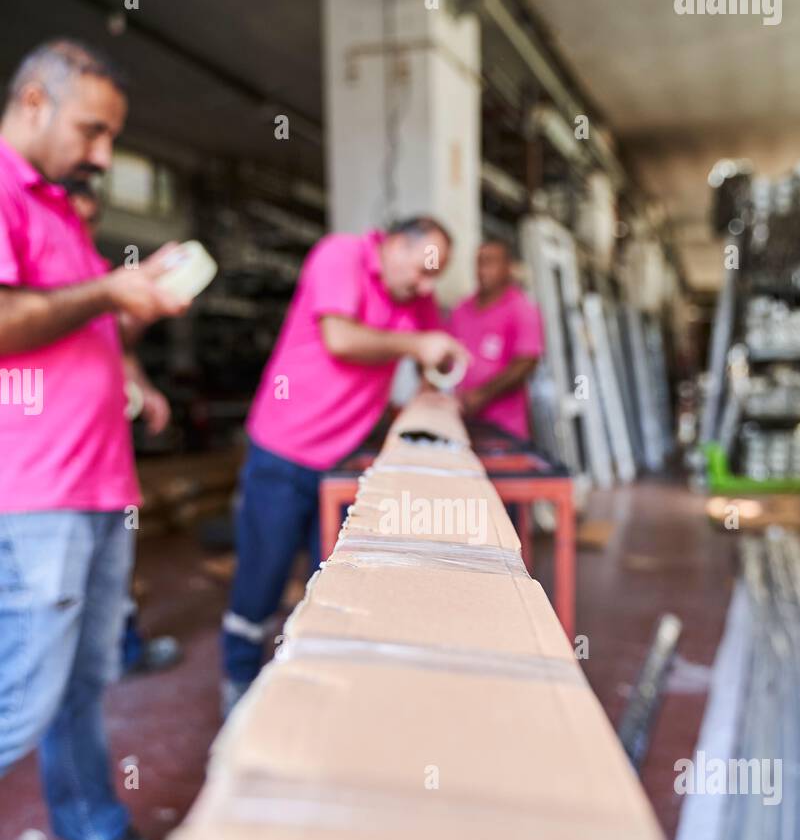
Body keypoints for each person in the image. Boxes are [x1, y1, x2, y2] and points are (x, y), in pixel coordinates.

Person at [0, 39, 190, 840]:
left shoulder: (61, 209)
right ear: (35, 103)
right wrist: (111, 292)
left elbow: (72, 327)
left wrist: (131, 324)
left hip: (98, 483)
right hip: (35, 492)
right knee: (20, 701)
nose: (103, 154)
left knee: (81, 689)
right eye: (93, 130)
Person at [221, 216, 465, 713]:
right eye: (422, 271)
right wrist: (416, 344)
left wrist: (434, 384)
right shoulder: (341, 255)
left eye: (434, 276)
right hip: (283, 450)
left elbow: (428, 360)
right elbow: (340, 338)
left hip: (344, 462)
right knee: (261, 580)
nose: (426, 287)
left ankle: (319, 693)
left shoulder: (416, 295)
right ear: (395, 245)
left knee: (332, 582)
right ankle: (239, 687)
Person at [66, 179, 184, 678]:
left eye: (91, 220)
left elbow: (115, 342)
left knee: (111, 573)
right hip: (51, 469)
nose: (84, 229)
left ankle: (124, 649)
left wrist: (143, 386)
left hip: (106, 462)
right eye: (75, 218)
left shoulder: (94, 271)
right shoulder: (35, 280)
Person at [449, 238, 543, 439]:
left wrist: (481, 394)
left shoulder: (522, 309)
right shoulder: (461, 309)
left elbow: (527, 362)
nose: (483, 270)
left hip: (505, 428)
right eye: (479, 263)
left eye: (490, 262)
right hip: (463, 422)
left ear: (508, 267)